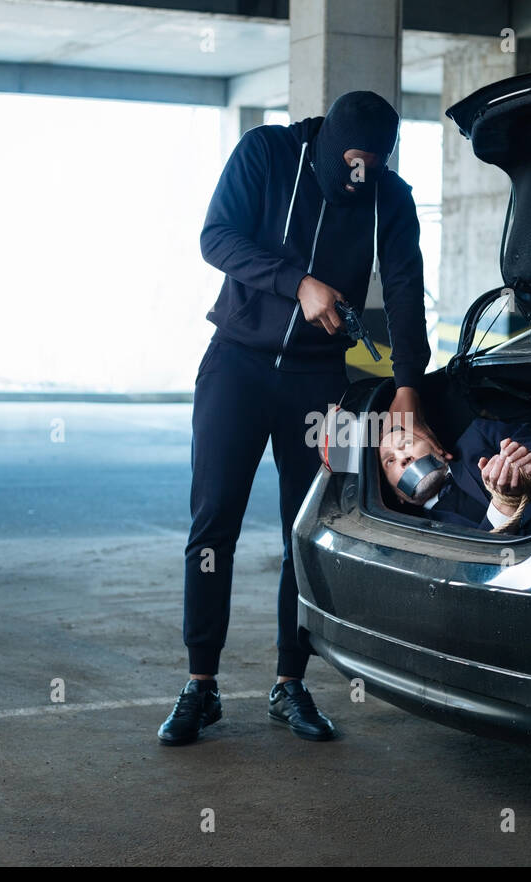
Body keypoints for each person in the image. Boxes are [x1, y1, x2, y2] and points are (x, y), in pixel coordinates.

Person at [158, 91, 445, 746]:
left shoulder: (390, 197)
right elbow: (216, 238)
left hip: (323, 384)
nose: (357, 179)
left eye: (372, 166)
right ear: (327, 146)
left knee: (309, 528)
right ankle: (200, 684)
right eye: (350, 163)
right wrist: (298, 282)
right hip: (235, 365)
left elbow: (405, 288)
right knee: (213, 523)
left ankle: (290, 684)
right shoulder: (265, 152)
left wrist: (408, 388)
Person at [379, 419, 531, 535]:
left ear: (436, 447)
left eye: (406, 443)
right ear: (397, 495)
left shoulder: (478, 436)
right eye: (390, 461)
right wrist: (503, 507)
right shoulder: (418, 536)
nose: (403, 458)